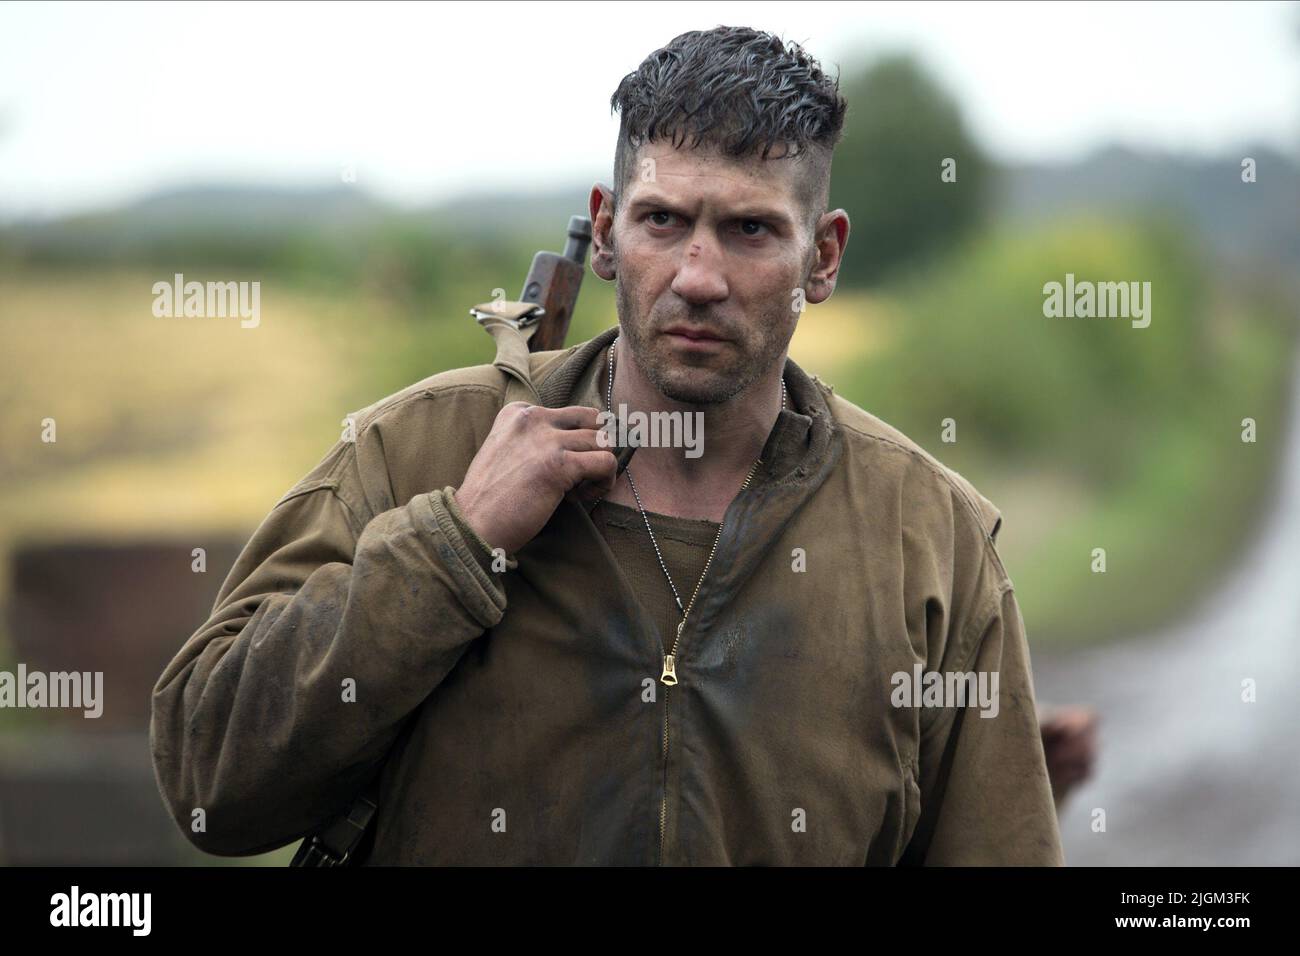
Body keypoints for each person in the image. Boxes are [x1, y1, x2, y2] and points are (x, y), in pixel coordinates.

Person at [150, 25, 1064, 865]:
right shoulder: (418, 451)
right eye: (663, 220)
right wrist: (455, 545)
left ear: (822, 257)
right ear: (607, 233)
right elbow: (208, 783)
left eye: (750, 230)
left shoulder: (928, 540)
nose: (699, 277)